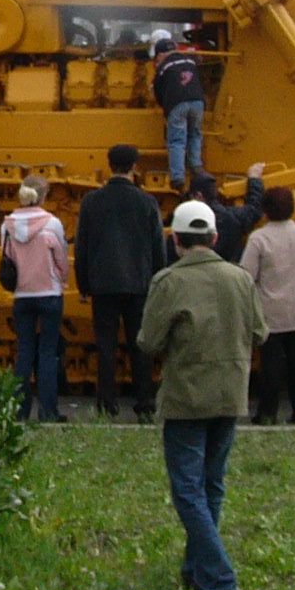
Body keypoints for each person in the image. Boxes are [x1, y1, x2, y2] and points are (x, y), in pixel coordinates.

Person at [136, 200, 268, 590]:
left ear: (175, 240)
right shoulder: (240, 278)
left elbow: (149, 341)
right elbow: (261, 332)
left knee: (188, 492)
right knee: (212, 487)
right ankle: (196, 572)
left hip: (187, 398)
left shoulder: (168, 281)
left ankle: (219, 587)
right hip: (230, 395)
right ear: (214, 238)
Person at [74, 144, 166, 421]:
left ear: (109, 164)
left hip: (103, 284)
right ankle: (144, 404)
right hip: (138, 284)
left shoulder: (92, 201)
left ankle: (107, 404)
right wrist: (157, 281)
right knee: (140, 346)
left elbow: (82, 248)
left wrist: (83, 286)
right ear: (135, 166)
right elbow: (157, 247)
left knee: (106, 346)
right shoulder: (147, 202)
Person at [239, 187, 295, 424]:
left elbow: (246, 274)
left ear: (265, 209)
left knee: (270, 366)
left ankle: (268, 413)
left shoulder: (259, 238)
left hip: (269, 313)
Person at [3, 173, 69, 423]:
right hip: (49, 293)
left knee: (25, 351)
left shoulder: (7, 225)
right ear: (43, 196)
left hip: (22, 294)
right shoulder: (52, 224)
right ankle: (48, 412)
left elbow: (7, 258)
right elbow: (61, 259)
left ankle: (20, 411)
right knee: (48, 352)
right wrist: (62, 279)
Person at [152, 39, 205, 191]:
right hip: (197, 102)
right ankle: (196, 166)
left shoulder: (163, 66)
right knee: (195, 134)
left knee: (176, 140)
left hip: (177, 103)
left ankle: (177, 177)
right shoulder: (190, 60)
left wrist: (164, 106)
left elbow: (158, 90)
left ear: (161, 54)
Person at [188, 165, 267, 264]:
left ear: (198, 196)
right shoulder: (234, 216)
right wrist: (254, 179)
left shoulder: (187, 223)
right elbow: (255, 208)